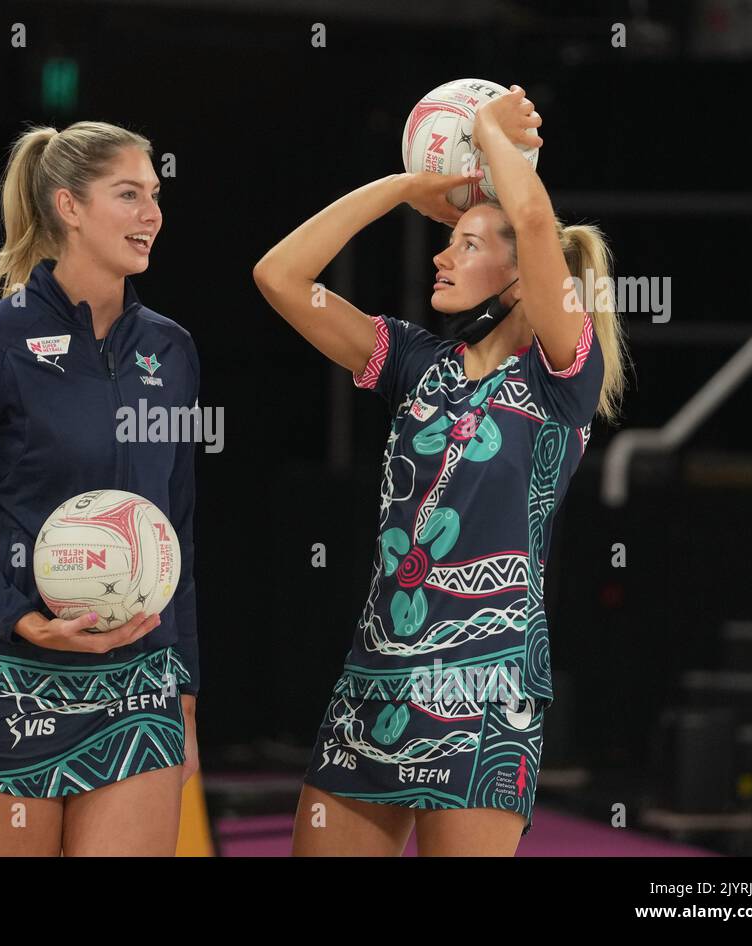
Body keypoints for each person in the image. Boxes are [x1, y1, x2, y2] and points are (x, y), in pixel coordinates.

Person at [254, 85, 629, 855]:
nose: (440, 252)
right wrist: (404, 188)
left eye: (466, 243)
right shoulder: (415, 362)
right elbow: (279, 276)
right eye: (447, 237)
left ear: (522, 273)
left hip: (484, 684)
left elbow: (531, 220)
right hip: (377, 670)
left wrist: (494, 138)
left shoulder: (560, 377)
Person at [0, 121, 201, 856]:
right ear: (68, 206)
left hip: (137, 684)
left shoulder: (171, 349)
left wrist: (187, 701)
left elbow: (178, 530)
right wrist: (24, 621)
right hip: (1, 675)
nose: (152, 213)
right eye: (129, 194)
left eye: (155, 195)